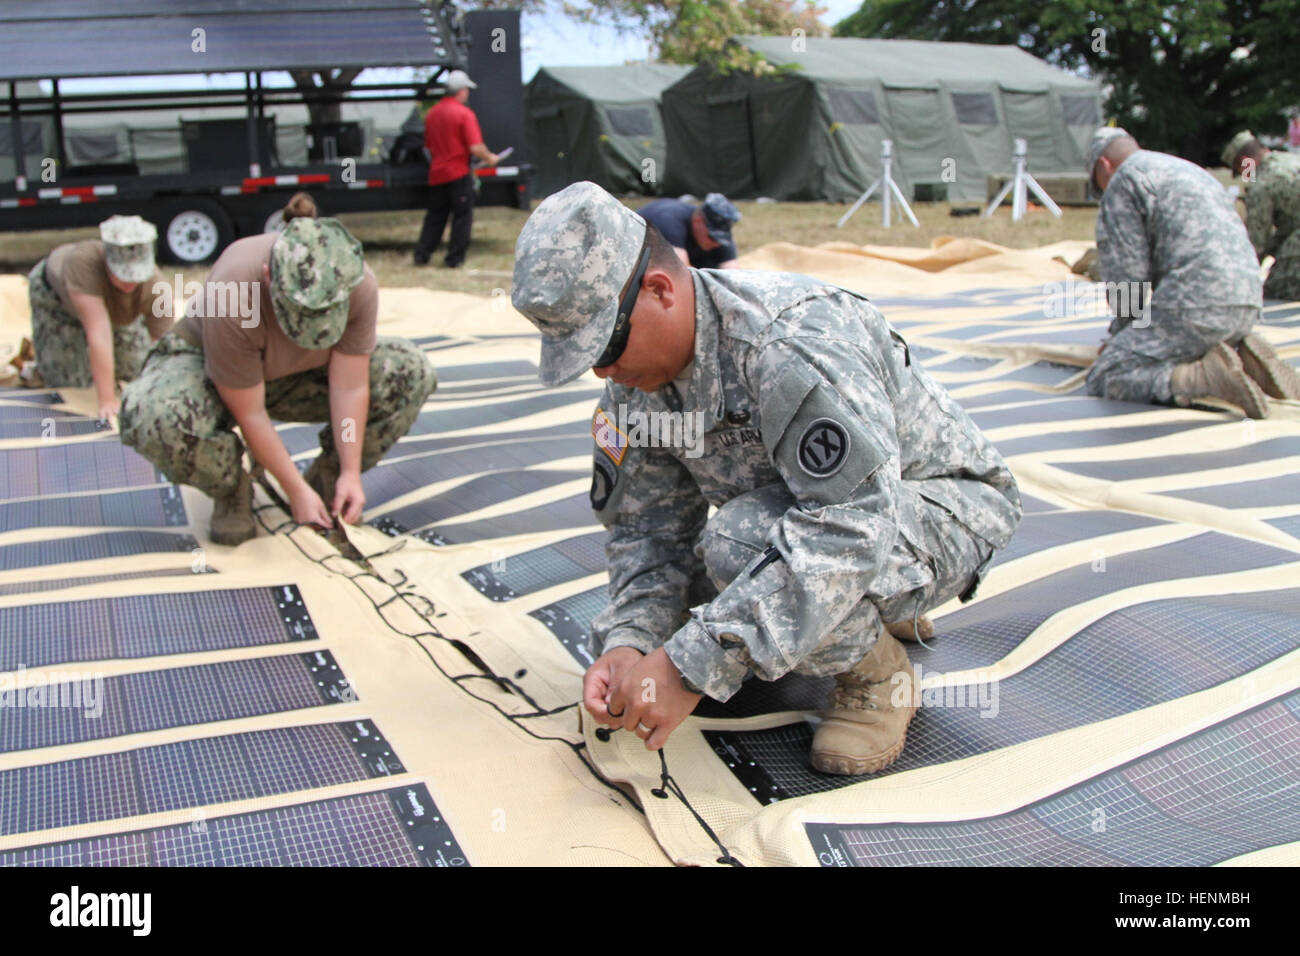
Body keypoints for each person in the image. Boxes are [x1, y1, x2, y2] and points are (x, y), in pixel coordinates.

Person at [510, 182, 1022, 776]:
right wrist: (633, 640)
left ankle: (878, 675)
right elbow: (646, 529)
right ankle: (866, 610)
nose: (603, 370)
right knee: (710, 580)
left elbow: (850, 524)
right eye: (587, 356)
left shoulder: (788, 342)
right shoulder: (634, 388)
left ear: (660, 290)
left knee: (738, 547)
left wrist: (688, 668)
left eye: (607, 343)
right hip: (824, 515)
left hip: (946, 509)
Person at [120, 194, 436, 546]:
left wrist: (349, 470)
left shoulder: (357, 282)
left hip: (292, 377)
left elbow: (350, 388)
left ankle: (329, 478)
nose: (309, 332)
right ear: (269, 277)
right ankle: (229, 487)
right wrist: (294, 490)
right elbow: (250, 412)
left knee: (409, 371)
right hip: (212, 372)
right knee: (154, 415)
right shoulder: (234, 292)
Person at [1085, 127, 1298, 417]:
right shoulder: (1189, 170)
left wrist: (1124, 336)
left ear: (1104, 165)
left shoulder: (1124, 181)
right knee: (1179, 341)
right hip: (1247, 300)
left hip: (1198, 303)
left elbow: (1127, 275)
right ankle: (1242, 358)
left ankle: (1203, 377)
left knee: (1108, 373)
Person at [27, 216, 171, 418]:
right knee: (71, 383)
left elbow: (164, 348)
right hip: (58, 303)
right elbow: (98, 332)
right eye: (122, 275)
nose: (129, 283)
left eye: (136, 276)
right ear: (106, 259)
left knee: (134, 371)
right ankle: (42, 362)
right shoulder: (83, 264)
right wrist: (107, 400)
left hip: (111, 310)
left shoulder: (158, 289)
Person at [413, 69, 500, 268]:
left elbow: (428, 145)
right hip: (458, 174)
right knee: (462, 217)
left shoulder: (432, 114)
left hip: (437, 174)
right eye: (467, 89)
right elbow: (475, 147)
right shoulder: (464, 114)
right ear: (461, 91)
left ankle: (422, 255)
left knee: (435, 216)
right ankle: (454, 259)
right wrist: (490, 158)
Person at [1223, 130, 1300, 303]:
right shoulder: (1291, 159)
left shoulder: (1261, 186)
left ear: (1246, 163)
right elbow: (1288, 223)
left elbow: (1256, 244)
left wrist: (1238, 280)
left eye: (1241, 171)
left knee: (1277, 288)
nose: (1244, 177)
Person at [638, 193, 741, 269]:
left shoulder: (717, 236)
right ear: (698, 221)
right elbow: (679, 273)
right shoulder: (669, 221)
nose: (716, 244)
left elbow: (731, 274)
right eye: (712, 237)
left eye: (721, 239)